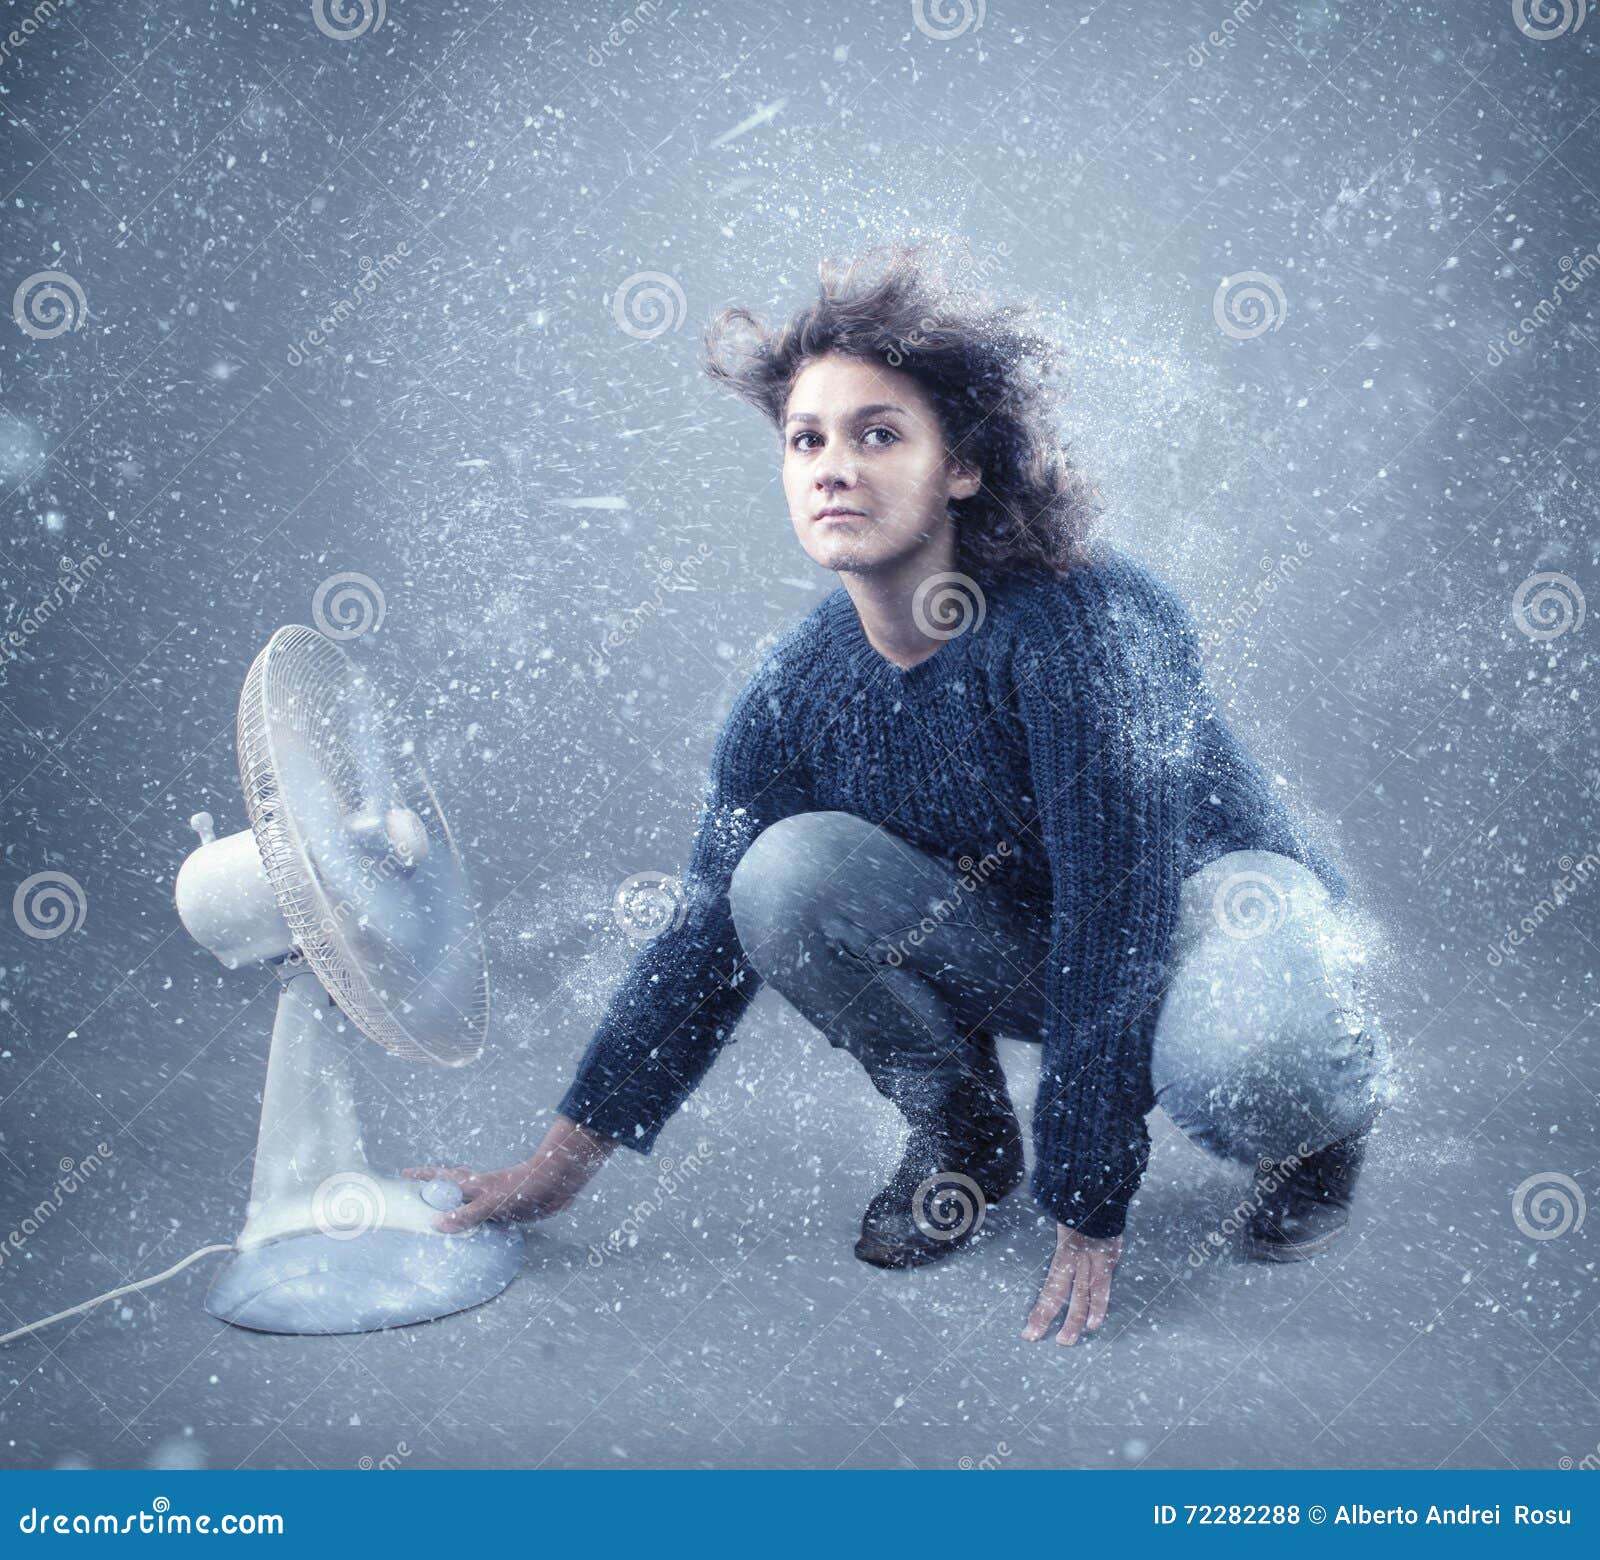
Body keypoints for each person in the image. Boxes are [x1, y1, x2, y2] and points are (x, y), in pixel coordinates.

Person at [404, 246, 1393, 1346]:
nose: (834, 466)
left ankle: (1319, 1129)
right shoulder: (797, 692)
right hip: (1041, 942)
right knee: (777, 874)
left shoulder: (1087, 623)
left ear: (960, 465)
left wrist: (1087, 1198)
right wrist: (557, 1167)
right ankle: (964, 1136)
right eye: (805, 440)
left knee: (1252, 1066)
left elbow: (1120, 912)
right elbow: (701, 942)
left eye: (878, 433)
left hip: (1219, 919)